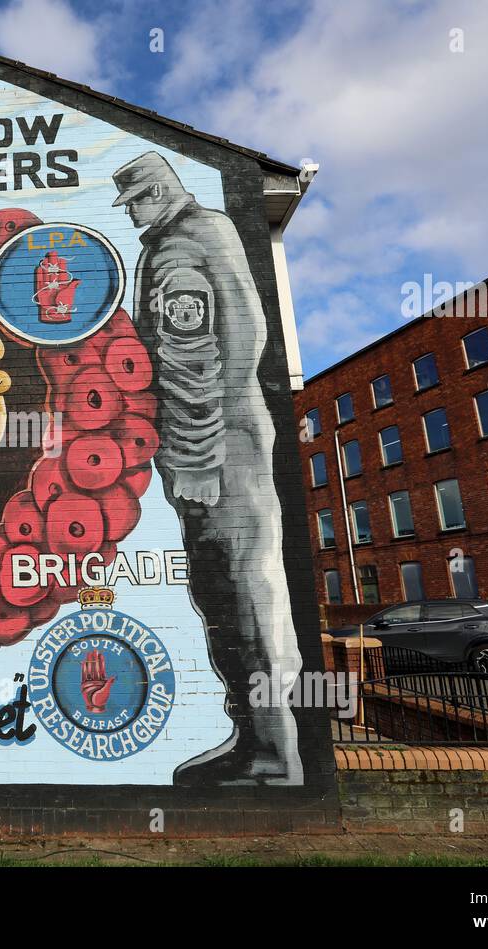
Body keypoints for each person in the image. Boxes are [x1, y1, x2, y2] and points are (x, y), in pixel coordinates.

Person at [112, 152, 302, 785]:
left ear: (160, 194)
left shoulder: (178, 249)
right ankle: (261, 743)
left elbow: (193, 361)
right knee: (241, 591)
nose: (135, 215)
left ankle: (267, 753)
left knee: (231, 594)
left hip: (216, 455)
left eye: (138, 202)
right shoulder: (211, 230)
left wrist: (194, 460)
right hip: (237, 446)